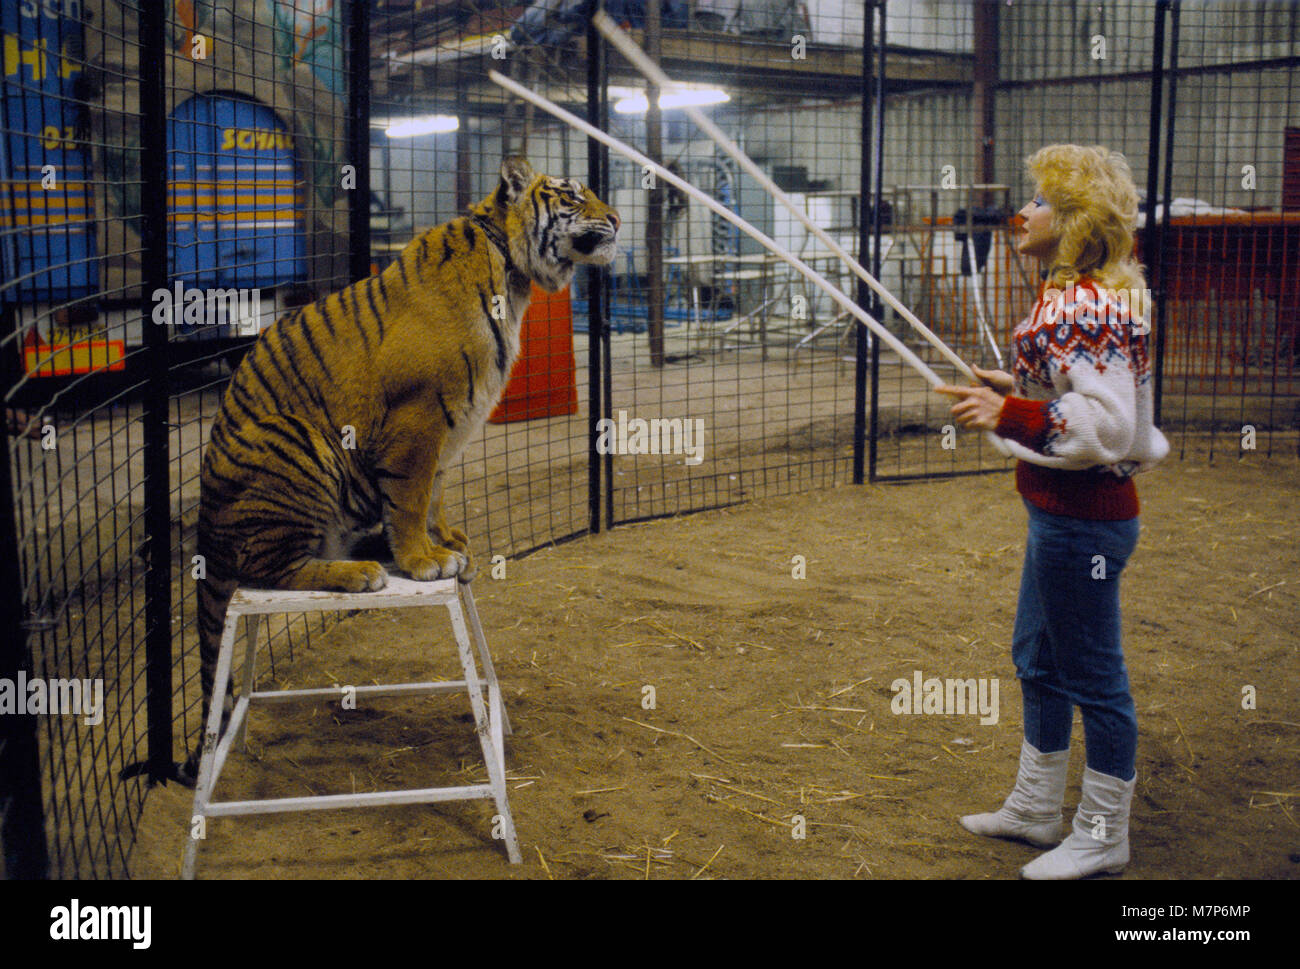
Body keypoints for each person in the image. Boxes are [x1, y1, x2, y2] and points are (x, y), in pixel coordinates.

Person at [936, 144, 1169, 879]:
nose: (1024, 211)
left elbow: (1102, 425)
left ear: (1072, 221)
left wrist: (1012, 411)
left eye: (1040, 202)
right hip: (1065, 516)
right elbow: (1082, 392)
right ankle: (1037, 808)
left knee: (1095, 678)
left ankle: (1103, 833)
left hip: (1084, 521)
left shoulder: (1081, 303)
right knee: (1037, 657)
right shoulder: (1091, 295)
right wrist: (1019, 386)